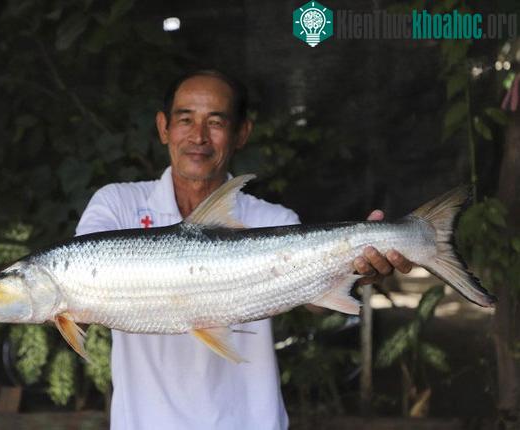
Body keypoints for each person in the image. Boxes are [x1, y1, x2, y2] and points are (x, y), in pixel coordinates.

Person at [75, 70, 412, 430]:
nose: (198, 136)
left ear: (242, 133)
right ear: (163, 128)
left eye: (215, 122)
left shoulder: (272, 218)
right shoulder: (116, 205)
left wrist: (355, 267)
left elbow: (313, 298)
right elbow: (82, 287)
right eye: (185, 119)